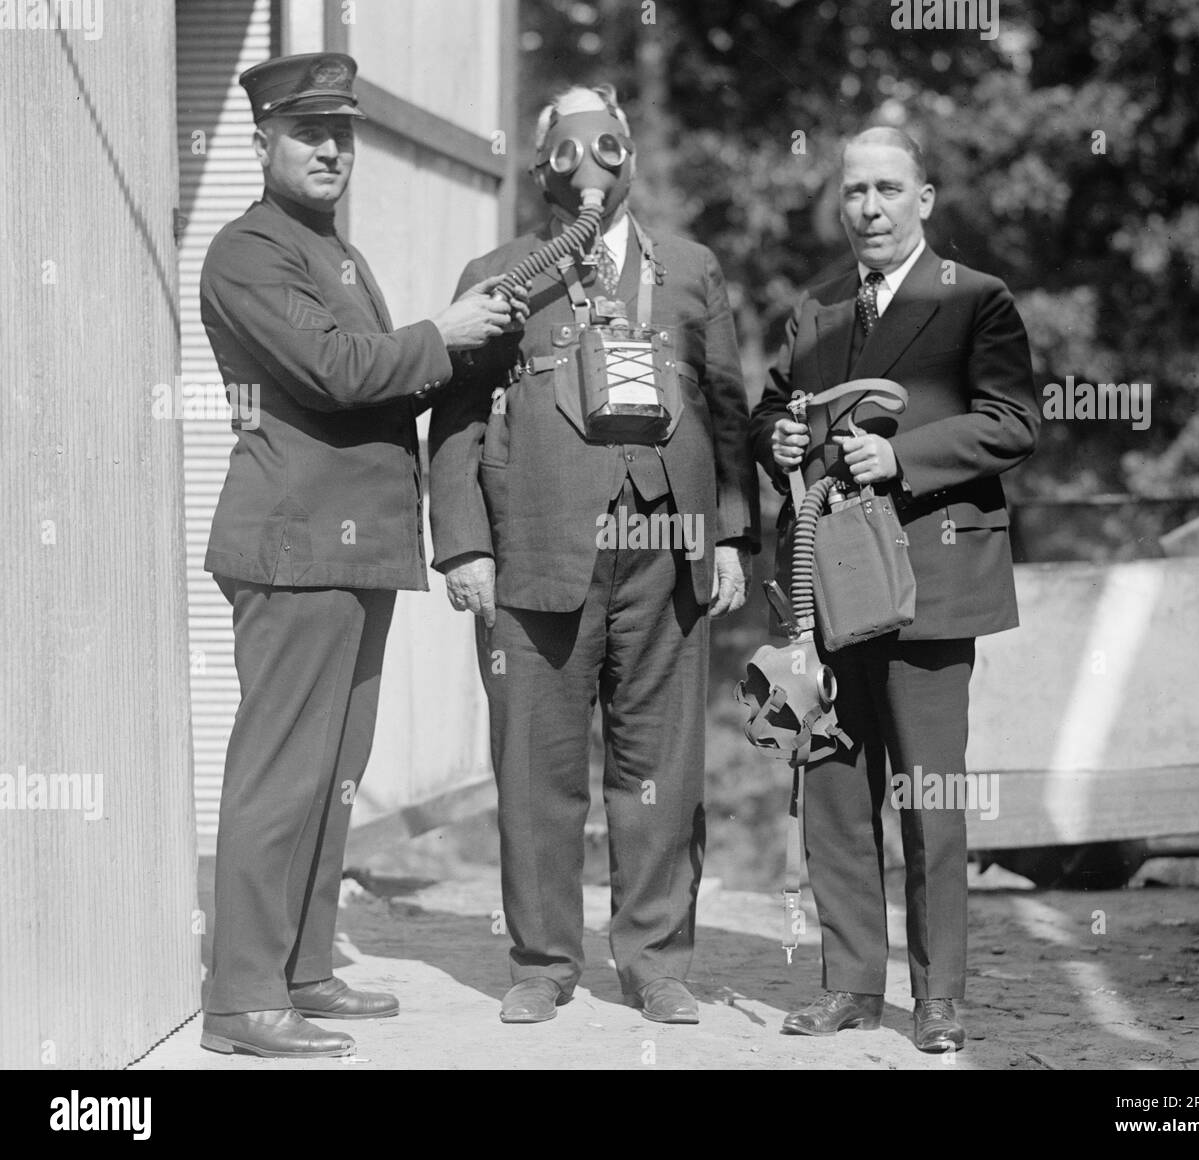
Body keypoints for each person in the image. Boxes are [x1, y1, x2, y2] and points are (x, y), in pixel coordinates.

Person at [198, 52, 523, 1058]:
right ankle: (241, 998)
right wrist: (445, 329)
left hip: (352, 551)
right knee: (281, 774)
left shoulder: (330, 252)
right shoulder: (249, 250)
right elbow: (339, 372)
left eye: (343, 131)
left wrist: (473, 351)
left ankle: (297, 966)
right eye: (309, 131)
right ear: (263, 144)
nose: (333, 147)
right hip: (295, 545)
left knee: (335, 770)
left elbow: (379, 384)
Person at [429, 85, 760, 1026]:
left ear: (629, 153)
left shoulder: (690, 268)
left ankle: (657, 960)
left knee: (662, 762)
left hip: (666, 548)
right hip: (539, 544)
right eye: (565, 144)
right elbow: (453, 419)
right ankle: (541, 961)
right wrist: (464, 547)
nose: (588, 163)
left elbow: (728, 407)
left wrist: (734, 531)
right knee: (536, 763)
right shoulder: (501, 273)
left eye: (605, 141)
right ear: (543, 163)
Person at [749, 126, 1039, 1053]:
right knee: (833, 784)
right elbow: (771, 407)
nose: (868, 208)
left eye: (887, 190)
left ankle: (940, 995)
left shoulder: (977, 301)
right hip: (827, 586)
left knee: (930, 794)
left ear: (924, 199)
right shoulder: (819, 307)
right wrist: (777, 442)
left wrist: (900, 458)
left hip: (929, 578)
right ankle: (849, 986)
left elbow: (1013, 423)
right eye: (854, 193)